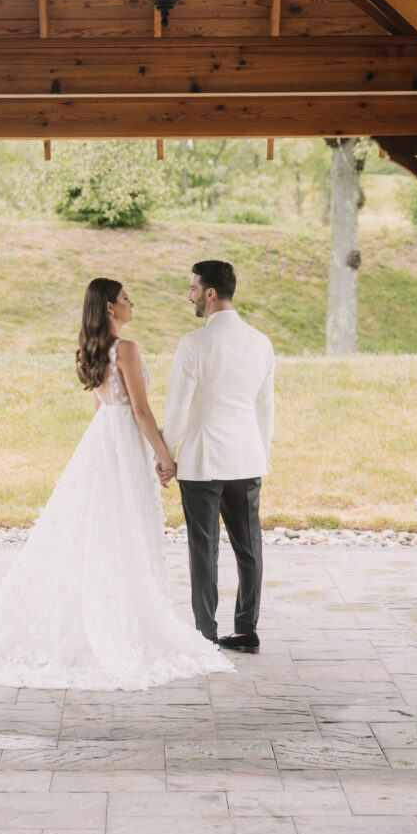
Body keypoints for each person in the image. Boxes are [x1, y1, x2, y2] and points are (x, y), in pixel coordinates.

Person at [0, 277, 231, 691]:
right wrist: (166, 459)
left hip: (103, 441)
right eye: (126, 298)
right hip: (123, 442)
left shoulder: (94, 349)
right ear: (110, 307)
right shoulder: (125, 349)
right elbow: (142, 412)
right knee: (125, 530)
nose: (133, 304)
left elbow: (101, 405)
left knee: (100, 529)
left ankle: (105, 609)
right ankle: (121, 617)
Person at [161, 260, 275, 654]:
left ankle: (205, 635)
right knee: (250, 549)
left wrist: (164, 455)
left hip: (202, 461)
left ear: (210, 293)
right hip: (247, 458)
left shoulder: (194, 343)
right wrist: (264, 454)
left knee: (203, 550)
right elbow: (266, 408)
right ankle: (246, 630)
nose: (189, 294)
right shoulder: (261, 342)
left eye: (193, 287)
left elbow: (176, 410)